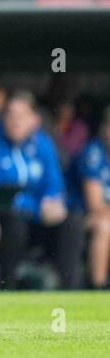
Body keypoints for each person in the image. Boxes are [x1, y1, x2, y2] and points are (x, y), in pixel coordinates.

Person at [0, 91, 82, 289]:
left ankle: (69, 290)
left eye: (21, 116)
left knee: (71, 221)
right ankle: (8, 287)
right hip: (4, 216)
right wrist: (37, 207)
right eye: (10, 115)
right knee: (15, 222)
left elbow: (54, 184)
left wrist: (52, 201)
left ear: (34, 120)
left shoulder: (42, 142)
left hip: (37, 219)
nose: (15, 121)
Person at [69, 107, 110, 289]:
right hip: (79, 218)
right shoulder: (92, 153)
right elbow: (96, 206)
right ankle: (98, 287)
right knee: (105, 226)